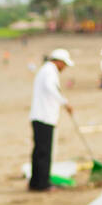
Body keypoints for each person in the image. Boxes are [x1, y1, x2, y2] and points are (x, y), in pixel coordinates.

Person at [28, 49, 74, 192]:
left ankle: (35, 182)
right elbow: (50, 88)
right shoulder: (49, 71)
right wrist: (64, 102)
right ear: (59, 61)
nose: (64, 68)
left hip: (40, 116)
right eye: (64, 64)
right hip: (44, 117)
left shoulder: (45, 70)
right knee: (44, 152)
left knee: (39, 151)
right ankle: (42, 183)